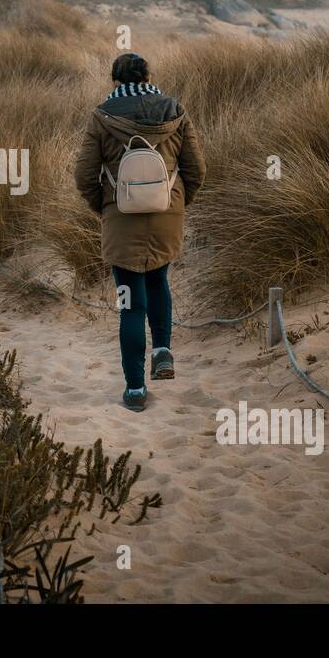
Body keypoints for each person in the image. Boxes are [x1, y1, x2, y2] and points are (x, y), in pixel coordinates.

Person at [74, 53, 206, 412]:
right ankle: (162, 350)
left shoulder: (102, 115)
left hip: (121, 217)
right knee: (159, 280)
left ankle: (135, 389)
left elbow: (84, 176)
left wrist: (105, 208)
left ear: (116, 80)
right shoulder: (175, 110)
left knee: (129, 301)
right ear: (148, 75)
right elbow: (197, 169)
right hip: (167, 213)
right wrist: (177, 201)